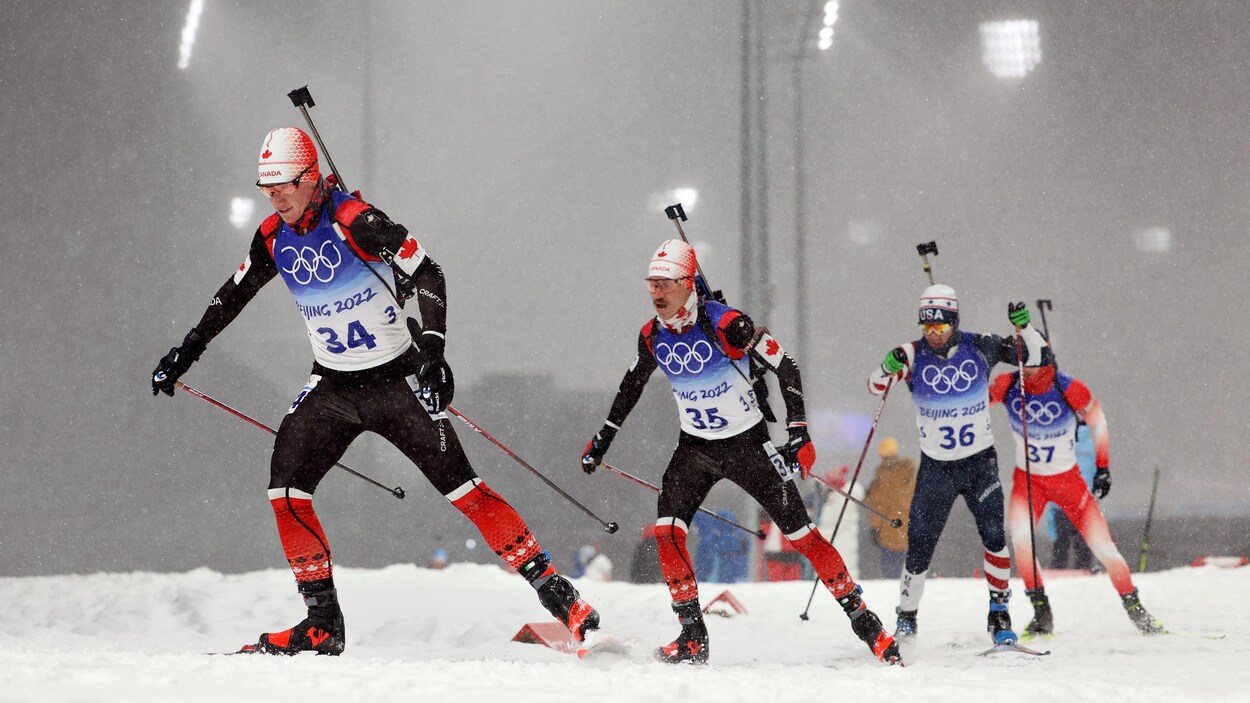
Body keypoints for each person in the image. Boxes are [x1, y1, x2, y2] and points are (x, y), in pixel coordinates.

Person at [151, 126, 601, 655]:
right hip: (332, 386)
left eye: (284, 185)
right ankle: (322, 623)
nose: (274, 195)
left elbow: (429, 272)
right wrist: (188, 351)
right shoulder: (272, 235)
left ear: (311, 178)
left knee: (464, 490)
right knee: (286, 490)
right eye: (266, 187)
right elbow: (232, 296)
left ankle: (559, 595)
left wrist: (433, 352)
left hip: (397, 381)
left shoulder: (356, 222)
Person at [581, 240, 900, 665]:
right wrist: (603, 439)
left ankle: (869, 626)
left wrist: (800, 432)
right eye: (651, 285)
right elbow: (632, 385)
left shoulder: (729, 324)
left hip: (748, 445)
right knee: (667, 530)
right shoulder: (652, 335)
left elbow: (786, 365)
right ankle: (692, 635)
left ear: (688, 283)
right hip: (694, 448)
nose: (657, 294)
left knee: (802, 535)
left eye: (666, 285)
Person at [867, 286, 1044, 645]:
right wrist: (886, 367)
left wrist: (1023, 329)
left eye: (940, 328)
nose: (933, 335)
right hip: (937, 469)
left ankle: (999, 614)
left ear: (954, 322)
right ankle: (906, 617)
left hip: (980, 464)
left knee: (995, 539)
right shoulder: (912, 354)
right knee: (918, 545)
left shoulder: (980, 345)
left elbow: (1036, 357)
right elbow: (875, 385)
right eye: (926, 328)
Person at [988, 334, 1164, 636]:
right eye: (1021, 363)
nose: (1026, 371)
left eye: (1031, 363)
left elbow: (1099, 422)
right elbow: (974, 401)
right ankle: (1042, 612)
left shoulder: (1067, 387)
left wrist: (1103, 468)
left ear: (1045, 358)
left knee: (1104, 548)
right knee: (1021, 543)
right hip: (1028, 482)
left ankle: (1135, 608)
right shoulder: (1008, 384)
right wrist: (983, 356)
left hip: (1068, 481)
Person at [862, 437, 917, 580]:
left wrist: (874, 526)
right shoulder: (909, 472)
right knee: (906, 569)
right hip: (906, 528)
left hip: (888, 529)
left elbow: (878, 505)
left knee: (891, 569)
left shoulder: (883, 476)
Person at [815, 465, 863, 579]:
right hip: (835, 544)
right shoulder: (833, 498)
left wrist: (818, 535)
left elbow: (840, 527)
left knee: (844, 572)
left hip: (842, 545)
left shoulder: (842, 501)